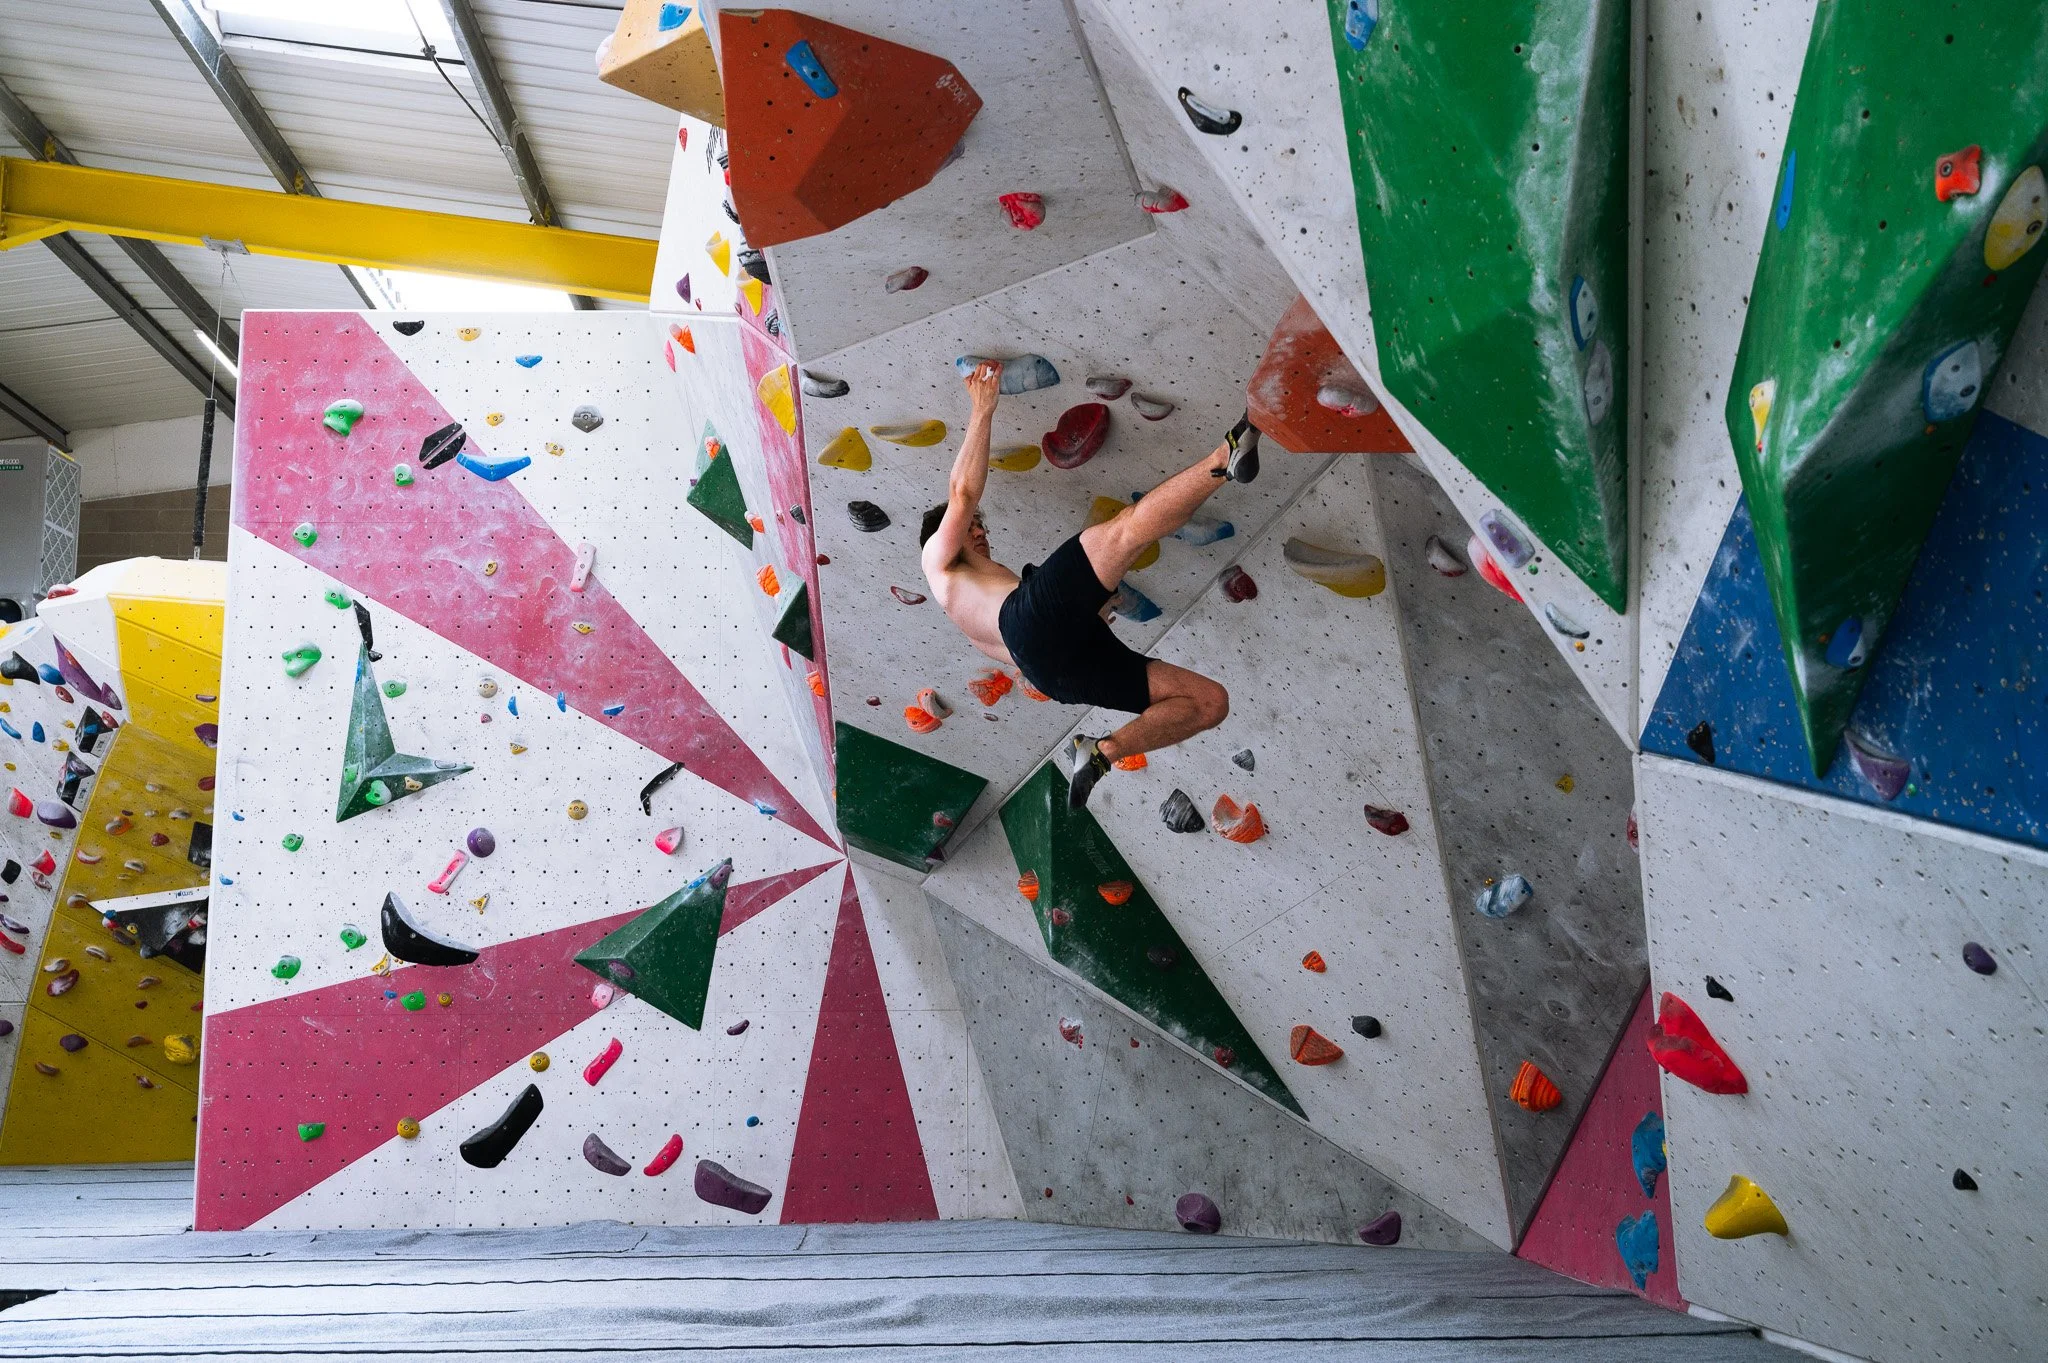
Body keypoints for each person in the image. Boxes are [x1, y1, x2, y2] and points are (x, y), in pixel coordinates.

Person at [919, 360, 1260, 808]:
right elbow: (962, 494)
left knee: (1210, 703)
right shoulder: (935, 563)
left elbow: (1029, 657)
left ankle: (1102, 753)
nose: (979, 532)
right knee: (1127, 530)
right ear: (944, 534)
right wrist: (983, 410)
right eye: (969, 530)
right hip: (1031, 631)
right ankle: (1226, 455)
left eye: (980, 528)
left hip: (1053, 671)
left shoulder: (970, 609)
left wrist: (1088, 613)